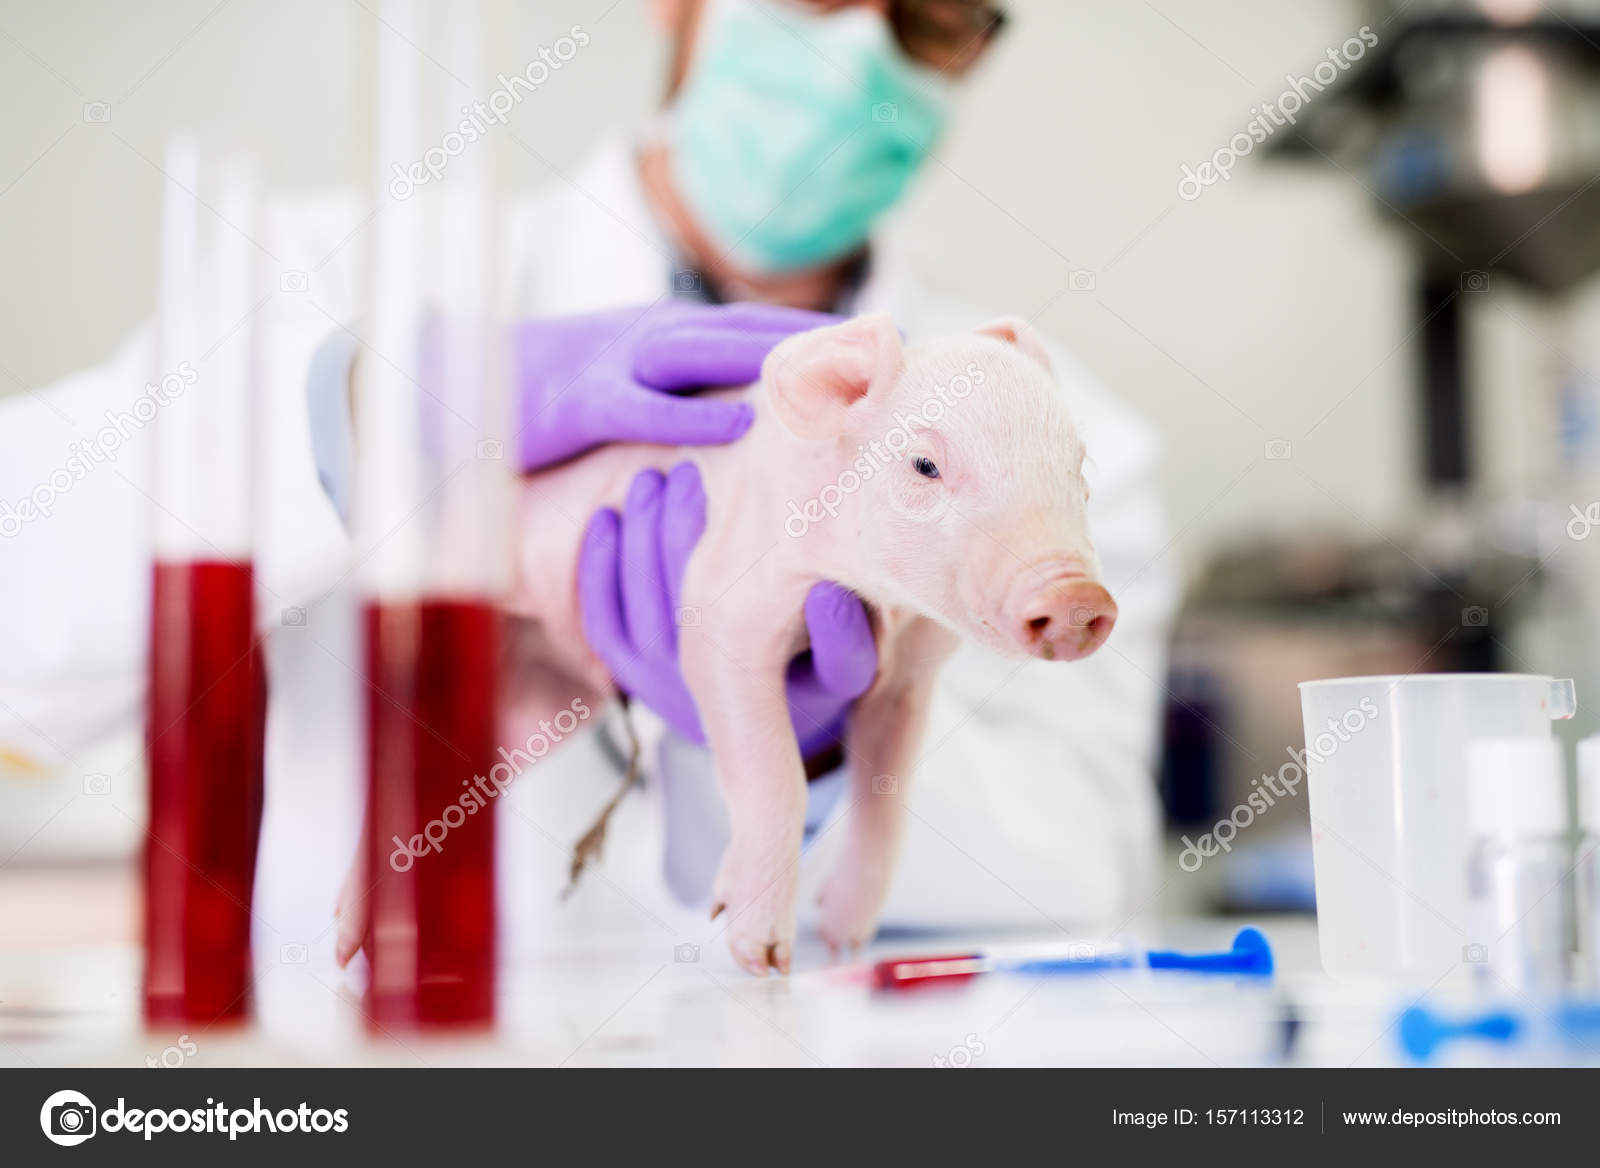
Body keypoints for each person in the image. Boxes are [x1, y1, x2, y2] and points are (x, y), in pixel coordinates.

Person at [0, 0, 1176, 958]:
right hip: (358, 1068)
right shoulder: (332, 267)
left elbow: (1083, 863)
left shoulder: (1056, 425)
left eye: (929, 16)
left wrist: (812, 739)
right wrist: (364, 407)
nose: (859, 49)